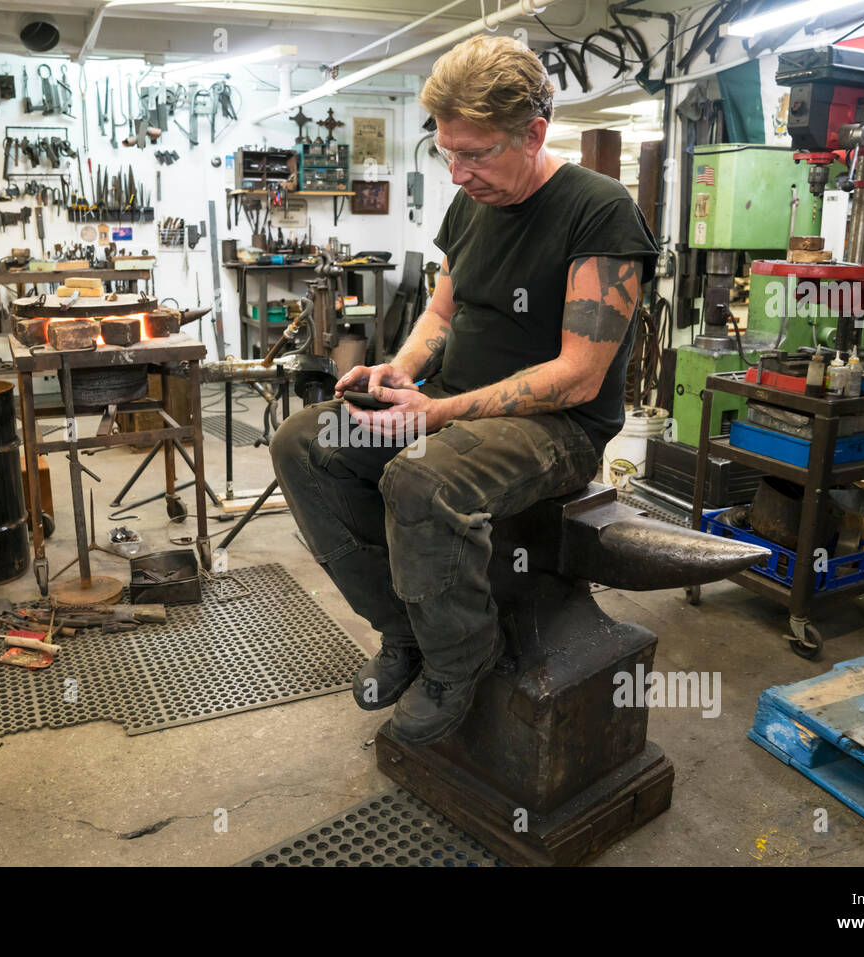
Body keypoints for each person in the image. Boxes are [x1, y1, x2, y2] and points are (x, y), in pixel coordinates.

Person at [270, 35, 660, 745]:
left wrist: (437, 411)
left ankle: (460, 660)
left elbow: (578, 374)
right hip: (451, 396)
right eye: (448, 152)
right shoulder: (476, 202)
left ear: (534, 133)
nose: (458, 172)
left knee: (421, 481)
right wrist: (404, 370)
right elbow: (443, 311)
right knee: (305, 442)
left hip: (559, 428)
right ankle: (406, 632)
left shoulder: (599, 211)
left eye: (475, 154)